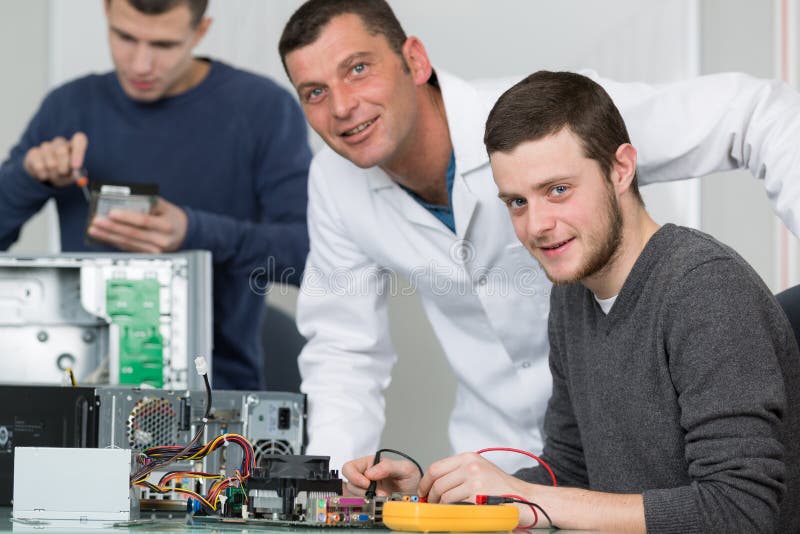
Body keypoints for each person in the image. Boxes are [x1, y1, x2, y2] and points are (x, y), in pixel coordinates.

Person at [279, 0, 800, 471]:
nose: (342, 106)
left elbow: (752, 113)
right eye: (315, 92)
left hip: (637, 449)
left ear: (415, 60)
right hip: (501, 464)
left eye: (359, 68)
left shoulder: (543, 122)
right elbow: (344, 348)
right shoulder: (334, 180)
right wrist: (333, 487)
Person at [344, 71, 800, 534]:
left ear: (621, 169)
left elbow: (740, 511)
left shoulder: (704, 290)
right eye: (517, 202)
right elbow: (568, 473)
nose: (537, 225)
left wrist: (531, 497)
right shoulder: (571, 296)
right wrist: (438, 498)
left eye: (557, 190)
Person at [0, 0, 311, 390]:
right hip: (79, 392)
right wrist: (28, 178)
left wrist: (192, 233)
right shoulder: (68, 107)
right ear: (106, 14)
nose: (140, 64)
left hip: (215, 400)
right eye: (125, 37)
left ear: (200, 32)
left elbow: (309, 256)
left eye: (163, 45)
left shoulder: (265, 110)